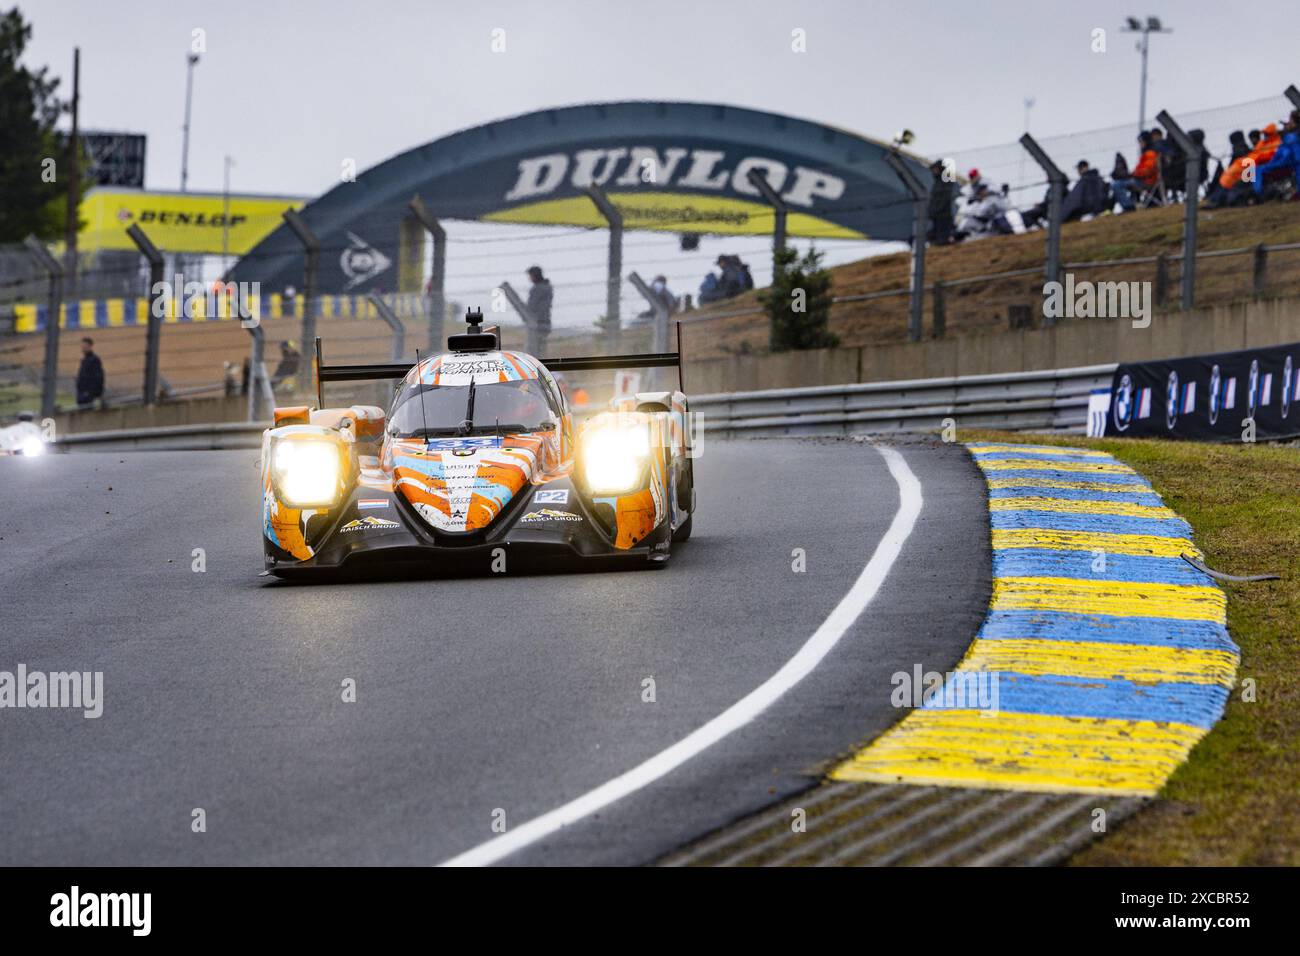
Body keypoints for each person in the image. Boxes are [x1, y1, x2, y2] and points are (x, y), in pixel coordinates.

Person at [1253, 114, 1300, 200]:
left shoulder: (1290, 137)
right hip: (1285, 162)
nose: (1287, 123)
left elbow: (1285, 155)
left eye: (1290, 121)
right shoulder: (1286, 137)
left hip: (1287, 162)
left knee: (1258, 169)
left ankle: (1258, 194)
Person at [1111, 132, 1160, 211]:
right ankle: (1131, 204)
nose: (1140, 144)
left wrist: (1133, 175)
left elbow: (1147, 170)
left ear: (1146, 141)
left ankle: (1128, 207)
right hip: (1143, 180)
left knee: (1116, 185)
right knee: (1119, 182)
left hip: (1146, 182)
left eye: (1141, 142)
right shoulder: (1146, 154)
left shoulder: (1150, 154)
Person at [525, 265, 553, 356]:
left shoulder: (537, 289)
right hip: (545, 323)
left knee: (534, 352)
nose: (529, 278)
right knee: (541, 350)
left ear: (535, 275)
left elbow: (531, 307)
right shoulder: (547, 287)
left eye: (530, 276)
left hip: (538, 324)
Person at [927, 160, 957, 243]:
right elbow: (934, 198)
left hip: (944, 216)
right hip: (937, 216)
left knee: (943, 239)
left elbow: (945, 198)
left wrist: (936, 209)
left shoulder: (946, 181)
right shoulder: (937, 182)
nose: (933, 171)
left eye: (935, 169)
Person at [75, 337, 104, 409]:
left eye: (85, 347)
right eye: (82, 347)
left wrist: (93, 392)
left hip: (88, 394)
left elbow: (98, 378)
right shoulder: (84, 360)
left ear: (90, 346)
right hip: (82, 393)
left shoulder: (94, 360)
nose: (83, 349)